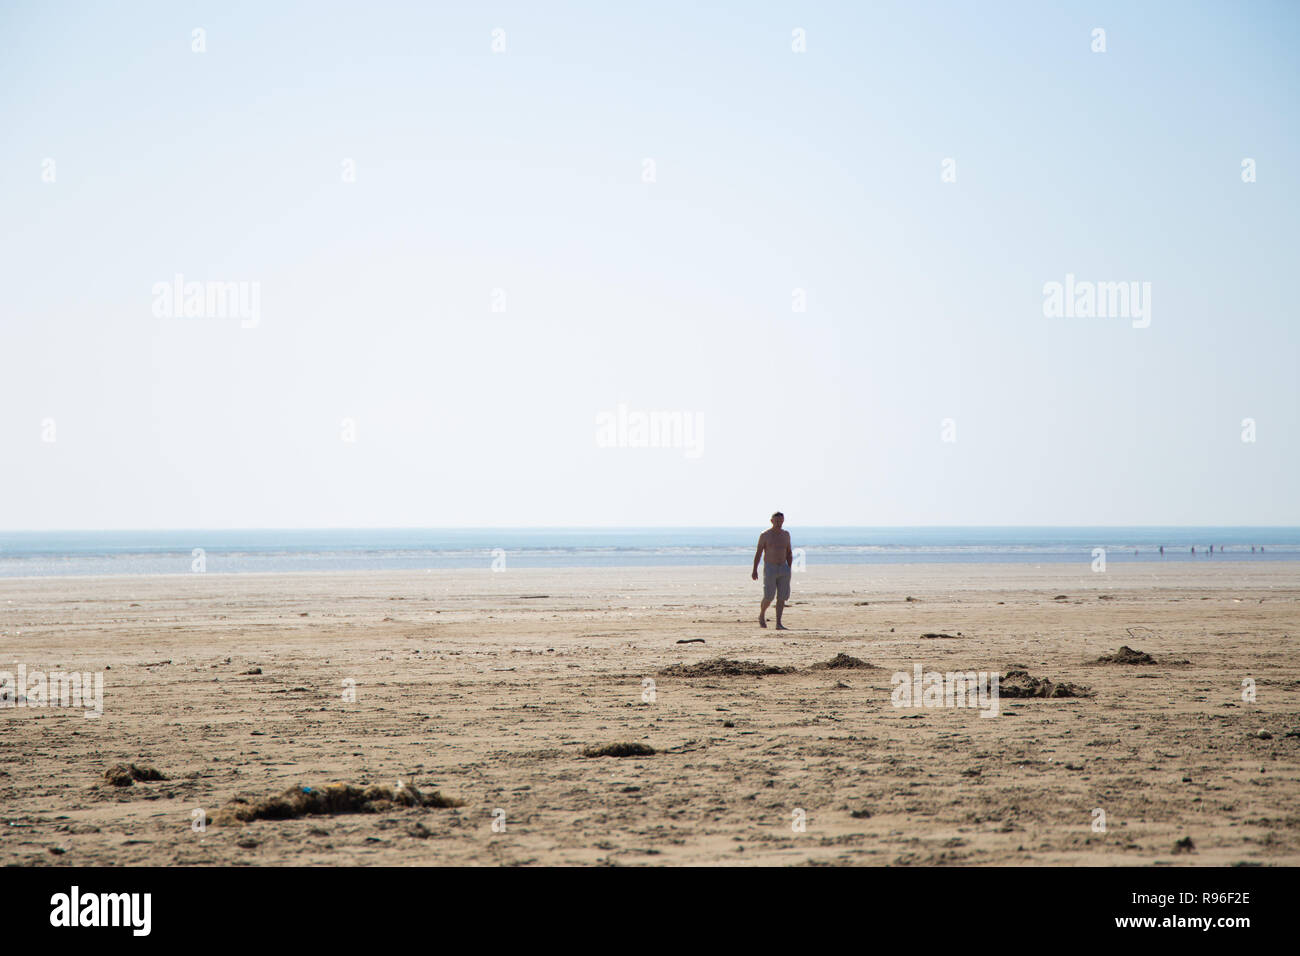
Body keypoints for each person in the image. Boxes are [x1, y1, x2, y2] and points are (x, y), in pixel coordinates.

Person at [752, 512, 793, 629]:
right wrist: (755, 569)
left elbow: (789, 552)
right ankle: (761, 615)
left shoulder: (786, 534)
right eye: (777, 521)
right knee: (769, 596)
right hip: (770, 567)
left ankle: (778, 623)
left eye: (781, 521)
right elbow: (759, 553)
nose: (779, 523)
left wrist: (789, 568)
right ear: (771, 521)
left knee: (782, 597)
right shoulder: (765, 535)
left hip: (783, 568)